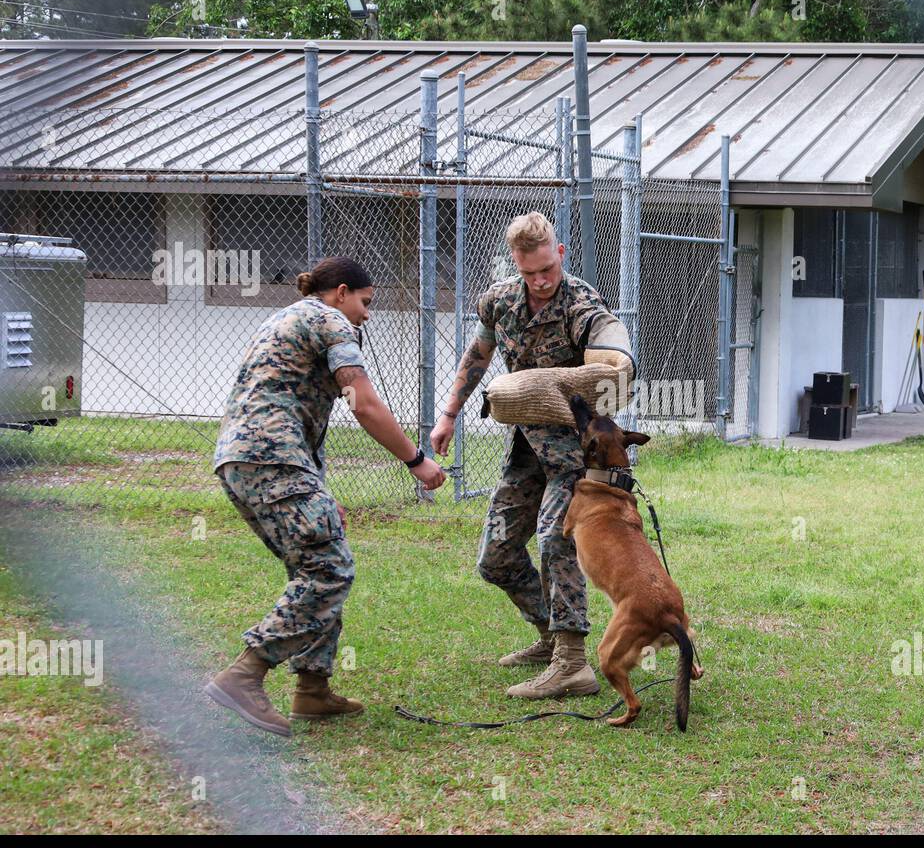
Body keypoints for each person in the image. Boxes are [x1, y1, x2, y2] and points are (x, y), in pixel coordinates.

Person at [205, 256, 446, 737]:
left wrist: (318, 487)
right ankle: (246, 673)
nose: (366, 314)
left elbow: (285, 402)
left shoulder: (285, 318)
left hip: (245, 458)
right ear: (341, 292)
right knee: (329, 569)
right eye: (365, 301)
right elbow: (363, 402)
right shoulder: (330, 319)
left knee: (313, 561)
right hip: (272, 457)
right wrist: (416, 460)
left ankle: (312, 689)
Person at [429, 212, 626, 699]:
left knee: (554, 538)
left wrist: (617, 357)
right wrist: (449, 413)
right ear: (515, 266)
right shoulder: (500, 300)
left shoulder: (581, 303)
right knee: (496, 557)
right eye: (528, 273)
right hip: (527, 448)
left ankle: (572, 663)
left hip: (577, 455)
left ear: (559, 254)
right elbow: (478, 355)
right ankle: (548, 633)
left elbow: (610, 344)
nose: (539, 282)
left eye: (546, 270)